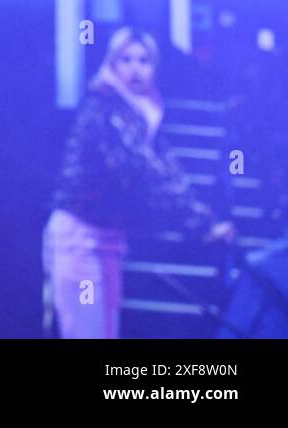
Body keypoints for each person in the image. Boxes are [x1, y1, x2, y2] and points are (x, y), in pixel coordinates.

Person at [43, 26, 237, 338]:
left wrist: (207, 222)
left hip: (108, 241)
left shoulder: (142, 114)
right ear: (112, 64)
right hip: (79, 240)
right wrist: (202, 225)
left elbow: (168, 171)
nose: (135, 69)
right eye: (126, 60)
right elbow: (145, 170)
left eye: (144, 61)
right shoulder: (104, 110)